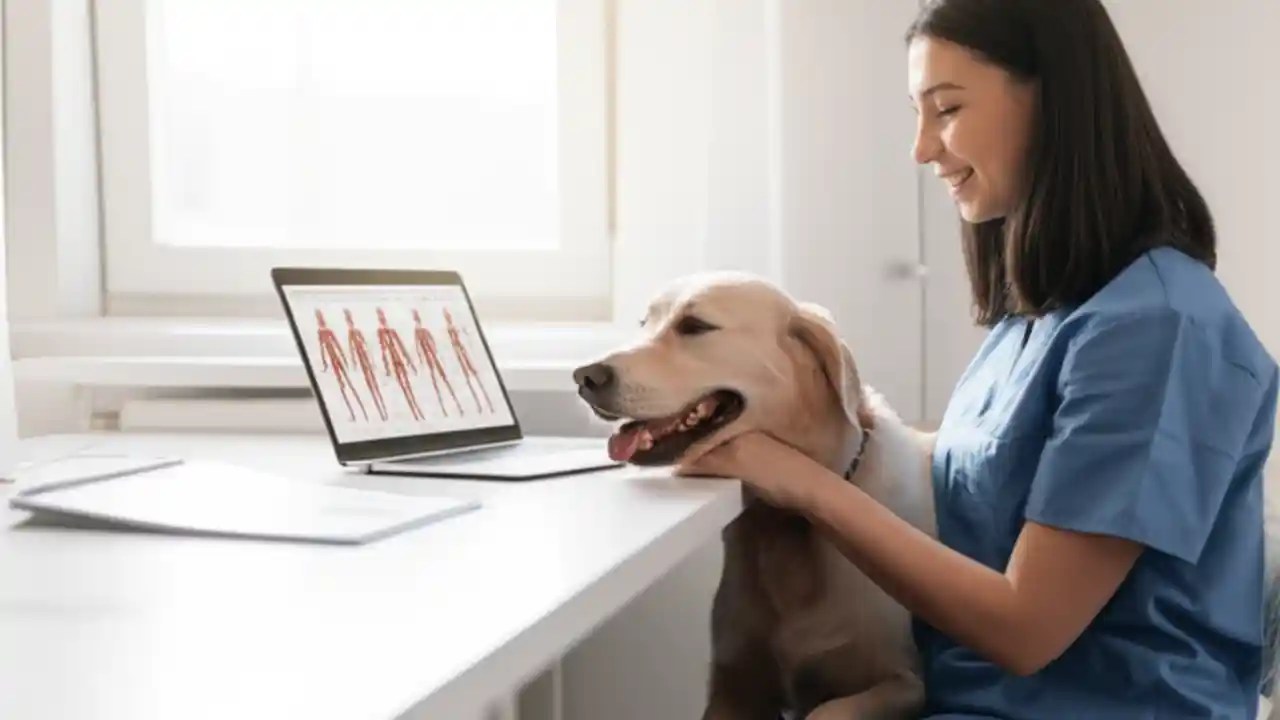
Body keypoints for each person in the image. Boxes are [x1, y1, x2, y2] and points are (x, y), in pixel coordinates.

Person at [678, 0, 1280, 717]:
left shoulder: (1157, 327)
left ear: (1056, 99)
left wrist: (805, 483)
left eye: (947, 109)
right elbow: (1000, 470)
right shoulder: (1049, 314)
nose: (922, 148)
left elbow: (1028, 628)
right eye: (917, 113)